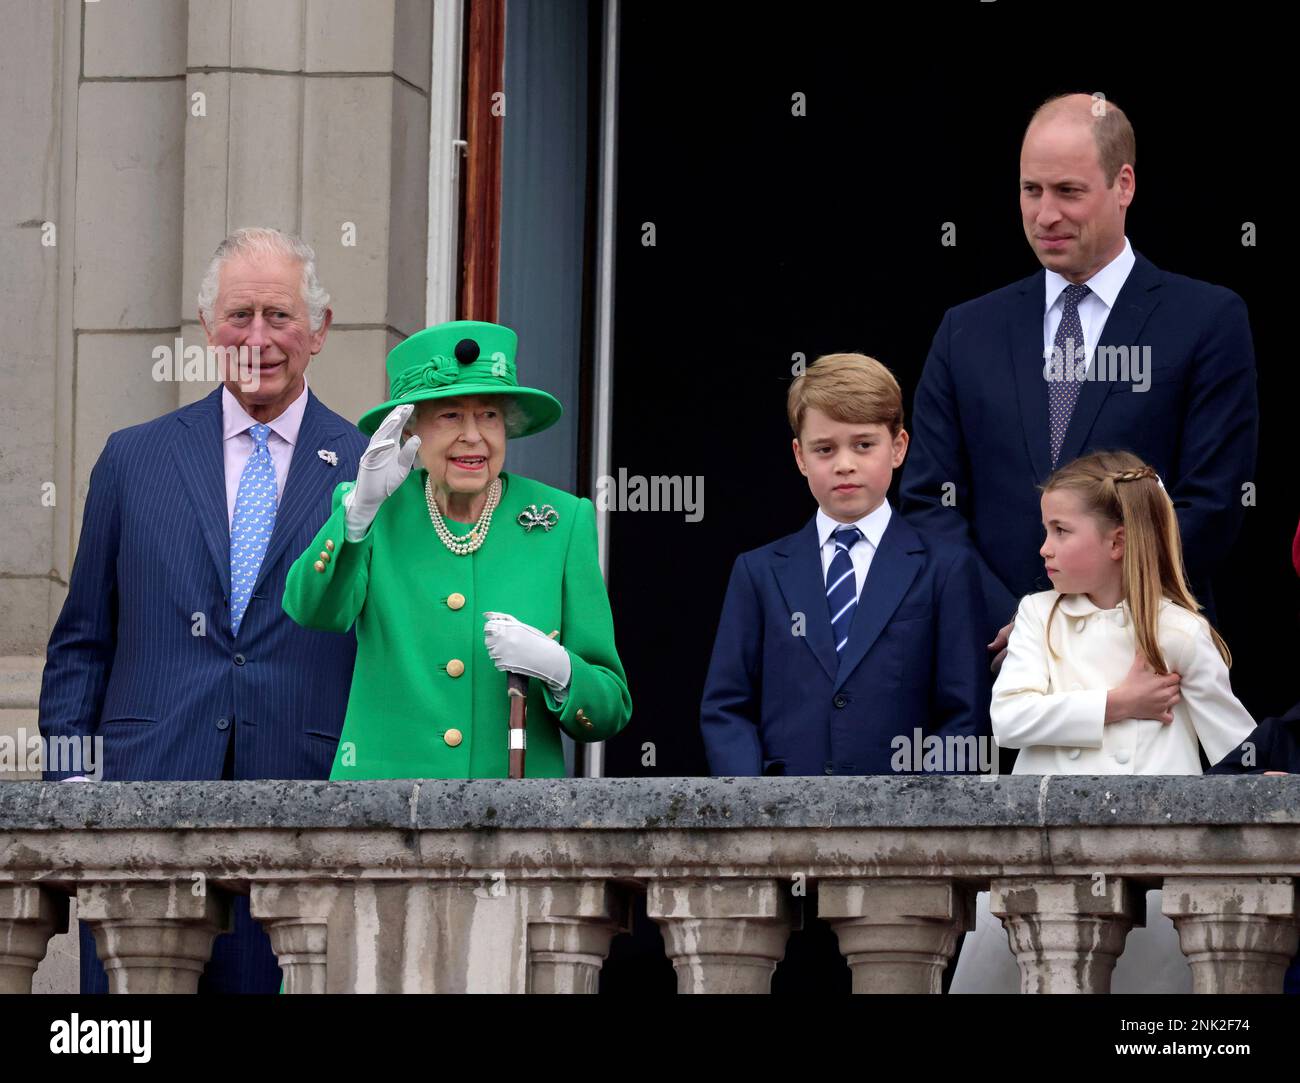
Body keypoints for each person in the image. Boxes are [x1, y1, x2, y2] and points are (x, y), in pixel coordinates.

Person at [38, 227, 368, 993]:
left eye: (280, 316)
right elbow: (82, 642)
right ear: (207, 327)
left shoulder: (365, 468)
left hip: (303, 825)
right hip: (141, 825)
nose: (259, 337)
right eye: (239, 315)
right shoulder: (133, 458)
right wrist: (69, 798)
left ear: (319, 330)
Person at [900, 93, 1258, 676]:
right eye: (1030, 190)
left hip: (1146, 660)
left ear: (1124, 184)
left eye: (1068, 191)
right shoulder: (966, 329)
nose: (1045, 215)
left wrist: (1081, 619)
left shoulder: (1207, 320)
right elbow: (928, 502)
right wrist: (1021, 624)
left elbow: (1211, 504)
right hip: (993, 666)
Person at [951, 450, 1257, 993]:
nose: (1044, 547)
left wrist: (1267, 784)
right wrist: (1117, 704)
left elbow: (1236, 748)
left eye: (1061, 530)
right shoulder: (1037, 615)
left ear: (1117, 542)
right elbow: (1010, 719)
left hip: (1147, 864)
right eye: (1046, 529)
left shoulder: (1179, 632)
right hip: (1039, 856)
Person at [282, 319, 631, 779]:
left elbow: (608, 710)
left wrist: (560, 670)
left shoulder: (562, 521)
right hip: (383, 814)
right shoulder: (374, 507)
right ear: (412, 430)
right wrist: (356, 514)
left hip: (515, 822)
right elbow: (313, 611)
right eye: (450, 416)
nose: (473, 436)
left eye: (488, 415)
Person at [700, 353, 991, 777]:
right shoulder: (758, 572)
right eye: (825, 449)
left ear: (899, 447)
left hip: (906, 824)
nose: (844, 464)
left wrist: (924, 815)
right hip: (780, 822)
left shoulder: (946, 568)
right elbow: (727, 707)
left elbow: (964, 714)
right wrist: (752, 807)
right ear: (800, 457)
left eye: (863, 444)